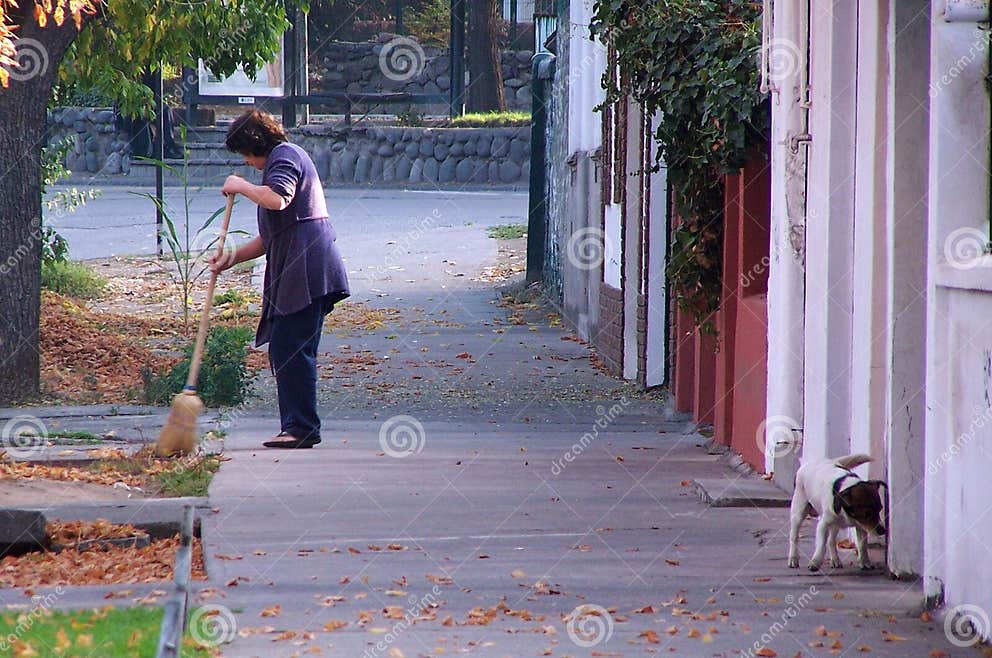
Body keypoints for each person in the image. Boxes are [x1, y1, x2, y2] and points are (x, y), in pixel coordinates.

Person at [210, 109, 350, 449]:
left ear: (256, 143)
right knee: (288, 345)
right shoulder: (280, 162)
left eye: (246, 153)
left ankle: (301, 428)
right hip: (295, 262)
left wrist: (241, 186)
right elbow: (269, 238)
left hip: (306, 265)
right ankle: (298, 426)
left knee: (291, 346)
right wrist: (230, 259)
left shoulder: (285, 156)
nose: (247, 161)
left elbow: (279, 199)